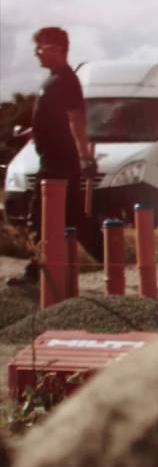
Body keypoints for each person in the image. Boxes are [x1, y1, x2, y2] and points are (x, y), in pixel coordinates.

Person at [17, 27, 101, 283]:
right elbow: (54, 118)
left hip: (59, 163)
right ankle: (112, 255)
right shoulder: (52, 79)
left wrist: (85, 156)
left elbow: (77, 119)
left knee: (39, 215)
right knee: (74, 217)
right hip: (51, 159)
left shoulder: (66, 79)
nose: (36, 53)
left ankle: (36, 273)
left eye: (40, 47)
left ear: (55, 48)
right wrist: (33, 131)